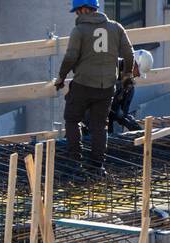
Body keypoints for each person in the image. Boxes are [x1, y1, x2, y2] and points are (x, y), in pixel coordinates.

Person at [54, 0, 135, 173]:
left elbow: (70, 57)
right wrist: (127, 74)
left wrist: (61, 77)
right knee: (100, 125)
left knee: (72, 119)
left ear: (84, 9)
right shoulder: (116, 27)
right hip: (107, 87)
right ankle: (97, 167)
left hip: (83, 84)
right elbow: (129, 53)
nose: (77, 15)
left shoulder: (79, 31)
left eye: (77, 11)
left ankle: (75, 162)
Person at [109, 48, 153, 134]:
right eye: (139, 71)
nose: (139, 75)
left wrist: (128, 121)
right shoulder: (109, 66)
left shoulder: (129, 87)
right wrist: (115, 112)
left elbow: (123, 112)